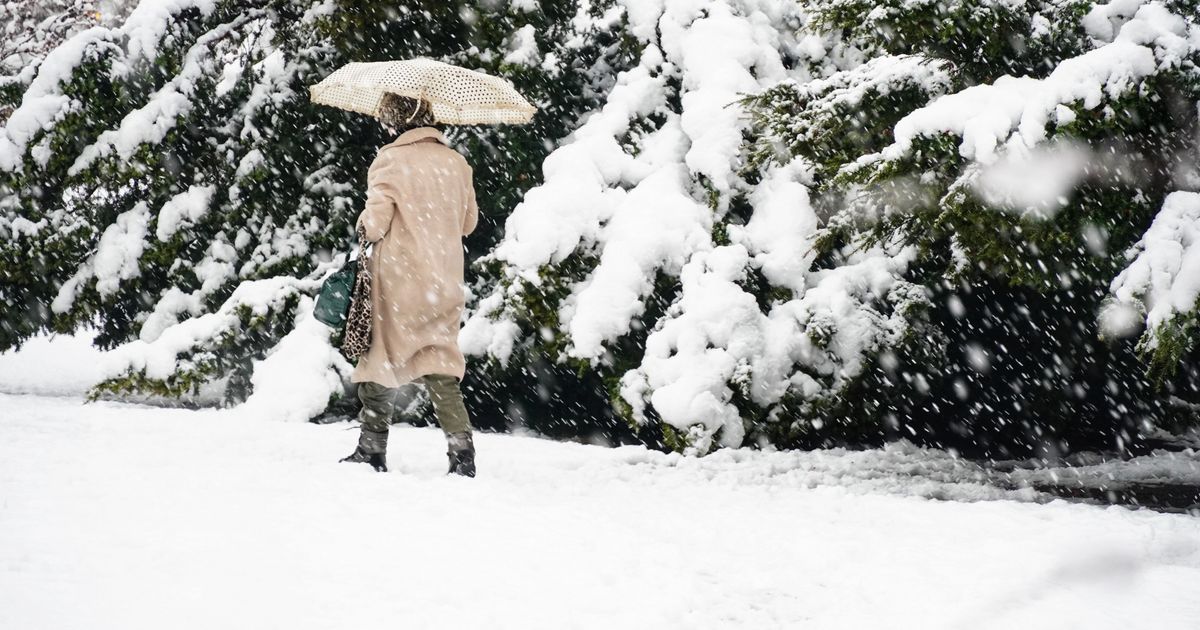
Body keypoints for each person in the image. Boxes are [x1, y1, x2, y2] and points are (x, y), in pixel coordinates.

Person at [340, 93, 479, 476]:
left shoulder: (390, 160)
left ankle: (371, 447)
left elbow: (375, 224)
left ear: (397, 122)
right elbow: (468, 224)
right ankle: (461, 451)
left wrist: (362, 223)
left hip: (398, 282)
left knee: (379, 360)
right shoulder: (457, 164)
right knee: (441, 365)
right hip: (444, 279)